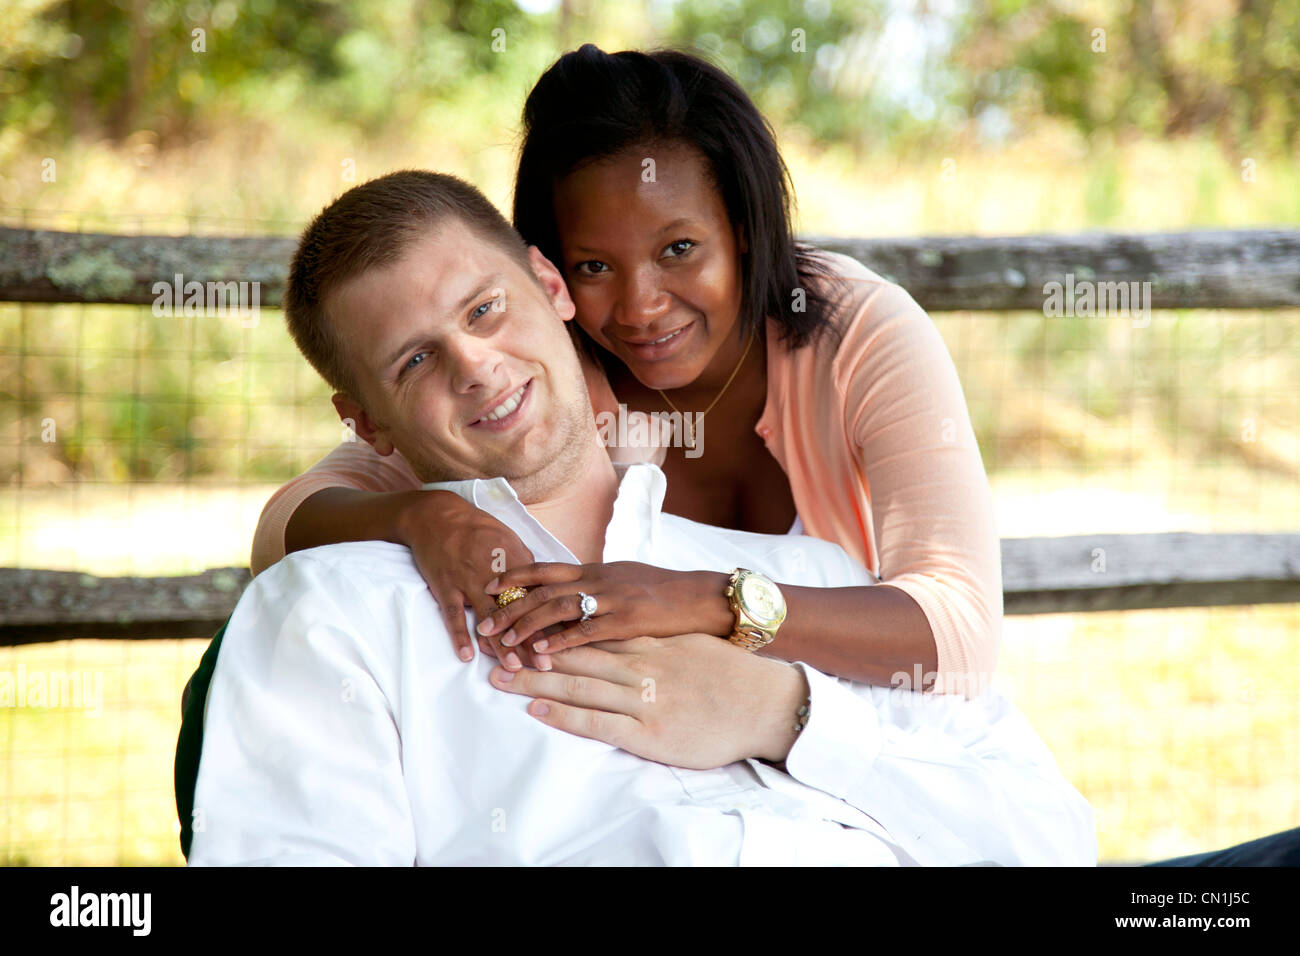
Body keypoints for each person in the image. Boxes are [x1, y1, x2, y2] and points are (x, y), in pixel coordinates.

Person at [179, 169, 1095, 866]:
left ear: (549, 287)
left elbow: (1051, 839)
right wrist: (418, 519)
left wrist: (791, 715)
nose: (476, 366)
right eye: (415, 360)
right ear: (367, 421)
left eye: (487, 309)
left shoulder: (804, 579)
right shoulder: (345, 609)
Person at [246, 45, 1002, 696]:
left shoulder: (857, 332)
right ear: (548, 275)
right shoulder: (546, 369)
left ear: (744, 229)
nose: (640, 308)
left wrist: (709, 602)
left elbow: (961, 634)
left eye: (679, 249)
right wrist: (418, 516)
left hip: (841, 729)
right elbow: (286, 525)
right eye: (594, 265)